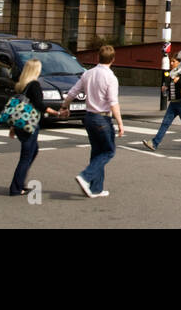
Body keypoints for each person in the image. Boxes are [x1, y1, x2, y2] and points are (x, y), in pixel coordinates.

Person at [59, 44, 124, 199]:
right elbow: (113, 102)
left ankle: (96, 188)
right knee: (109, 151)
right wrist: (120, 123)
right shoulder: (111, 78)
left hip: (88, 117)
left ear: (97, 57)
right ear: (113, 59)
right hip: (102, 117)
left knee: (97, 152)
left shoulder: (87, 74)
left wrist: (64, 106)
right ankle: (85, 176)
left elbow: (73, 91)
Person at [8, 58, 64, 196]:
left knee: (33, 151)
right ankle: (16, 188)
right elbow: (40, 105)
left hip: (21, 124)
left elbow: (17, 107)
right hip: (29, 124)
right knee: (26, 156)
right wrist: (56, 113)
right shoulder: (34, 85)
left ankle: (20, 183)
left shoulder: (21, 85)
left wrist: (13, 127)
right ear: (36, 70)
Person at [140, 55, 181, 152]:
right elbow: (173, 87)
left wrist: (179, 81)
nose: (171, 63)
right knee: (165, 123)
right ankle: (154, 143)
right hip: (173, 103)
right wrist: (166, 88)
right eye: (171, 61)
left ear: (179, 63)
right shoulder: (173, 72)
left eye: (173, 61)